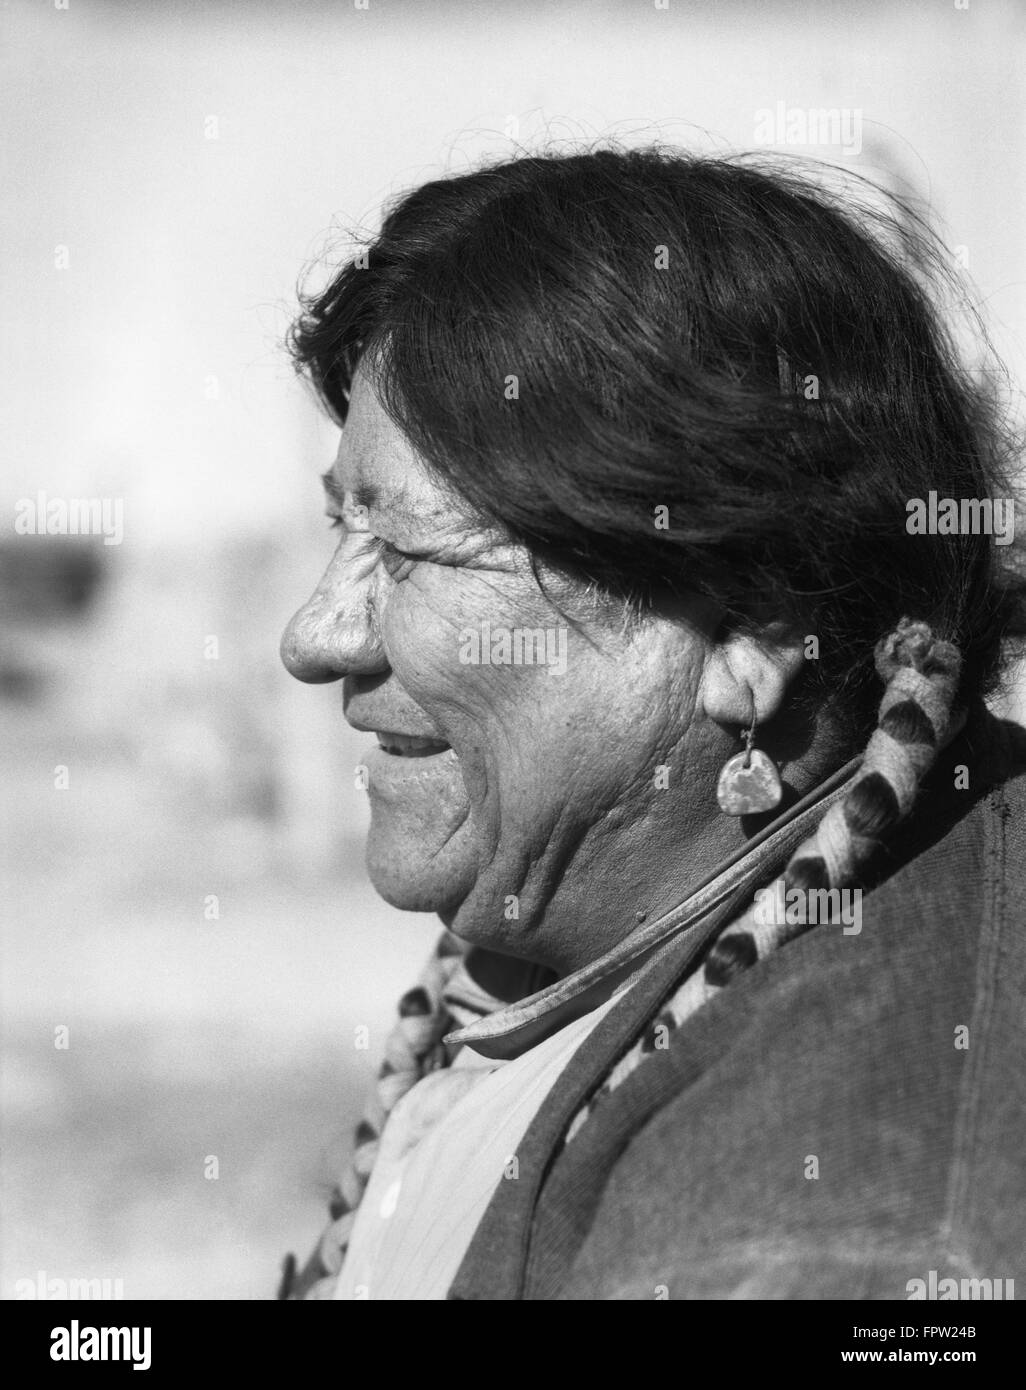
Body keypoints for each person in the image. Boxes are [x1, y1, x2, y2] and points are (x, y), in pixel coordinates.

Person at [277, 148, 1025, 1300]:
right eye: (345, 528)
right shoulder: (595, 937)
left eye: (413, 551)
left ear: (752, 629)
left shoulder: (828, 1247)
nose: (317, 634)